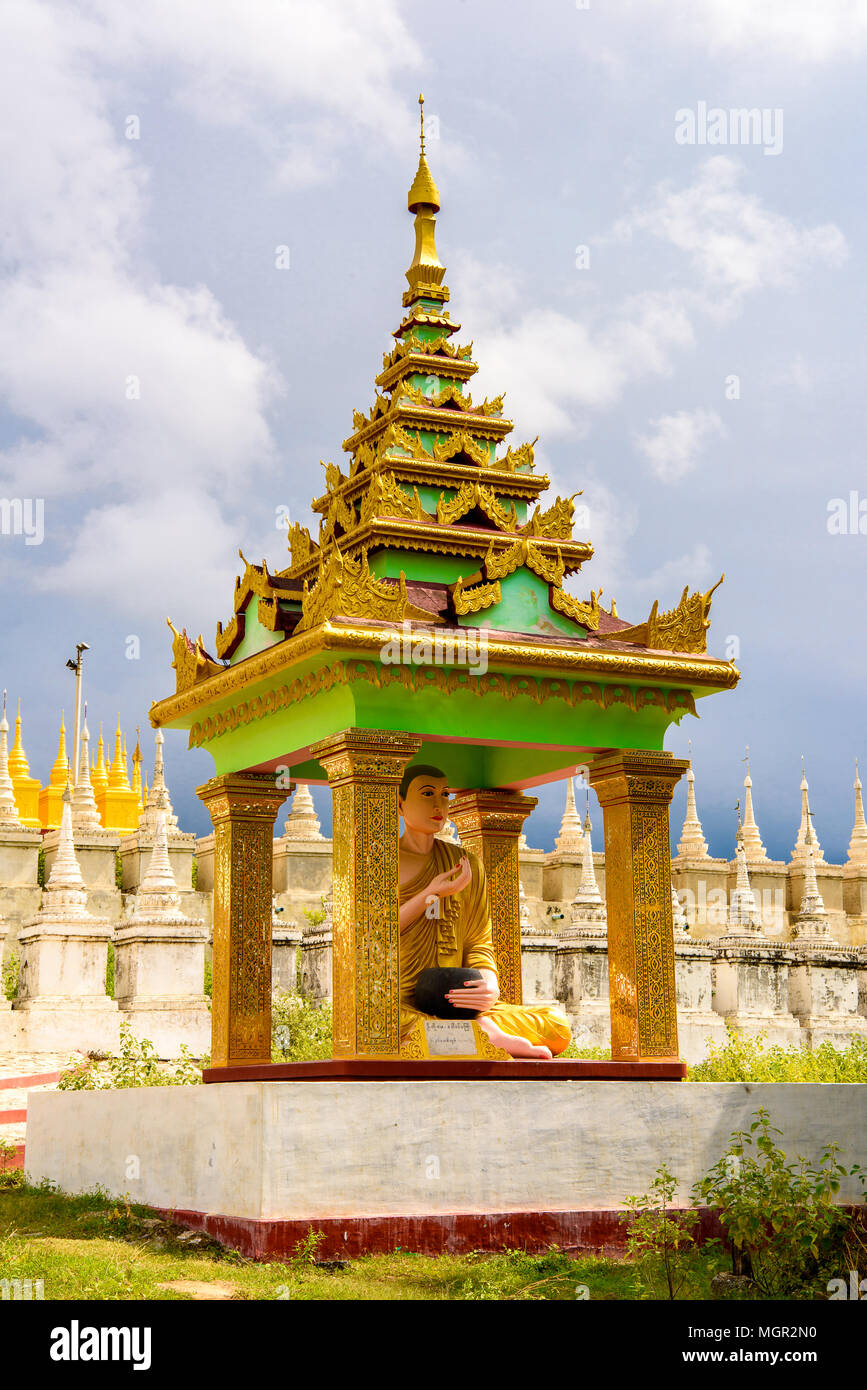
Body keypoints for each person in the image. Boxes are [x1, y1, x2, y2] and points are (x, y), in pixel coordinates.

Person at [397, 764, 572, 1059]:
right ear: (399, 804)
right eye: (427, 794)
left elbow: (479, 941)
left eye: (445, 794)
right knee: (379, 1021)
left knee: (556, 1025)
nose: (439, 804)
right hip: (402, 1002)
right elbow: (371, 935)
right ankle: (485, 1034)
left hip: (459, 1001)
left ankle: (479, 1031)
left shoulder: (464, 862)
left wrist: (488, 986)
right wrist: (430, 894)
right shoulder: (381, 861)